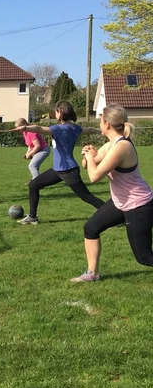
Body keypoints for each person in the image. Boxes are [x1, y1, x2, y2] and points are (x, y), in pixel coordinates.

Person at [71, 104, 153, 282]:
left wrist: (90, 158)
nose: (99, 124)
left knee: (144, 257)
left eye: (100, 120)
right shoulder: (111, 145)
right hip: (120, 202)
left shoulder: (121, 147)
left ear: (107, 124)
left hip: (138, 204)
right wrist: (87, 154)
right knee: (91, 228)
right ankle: (92, 273)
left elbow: (94, 176)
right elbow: (88, 165)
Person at [15, 102, 104, 225]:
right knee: (34, 185)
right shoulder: (75, 128)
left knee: (86, 196)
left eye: (56, 111)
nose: (55, 114)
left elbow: (39, 129)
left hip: (68, 170)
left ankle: (114, 215)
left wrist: (25, 128)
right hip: (58, 169)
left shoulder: (59, 129)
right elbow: (88, 130)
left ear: (61, 112)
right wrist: (101, 131)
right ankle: (32, 217)